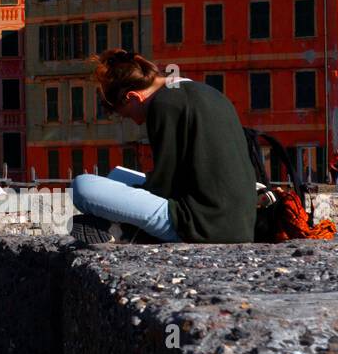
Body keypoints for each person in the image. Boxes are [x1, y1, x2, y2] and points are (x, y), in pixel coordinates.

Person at [71, 49, 258, 244]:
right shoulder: (206, 92)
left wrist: (132, 196)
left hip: (201, 224)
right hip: (238, 221)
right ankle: (118, 229)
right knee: (118, 177)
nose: (135, 122)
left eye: (126, 114)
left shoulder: (164, 105)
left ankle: (123, 230)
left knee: (81, 186)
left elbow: (164, 186)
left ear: (133, 97)